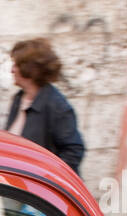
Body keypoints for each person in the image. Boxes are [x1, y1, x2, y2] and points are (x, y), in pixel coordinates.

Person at [5, 38, 85, 173]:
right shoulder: (19, 99)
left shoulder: (57, 105)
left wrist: (46, 177)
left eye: (16, 65)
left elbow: (73, 151)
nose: (12, 70)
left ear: (29, 70)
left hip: (39, 189)